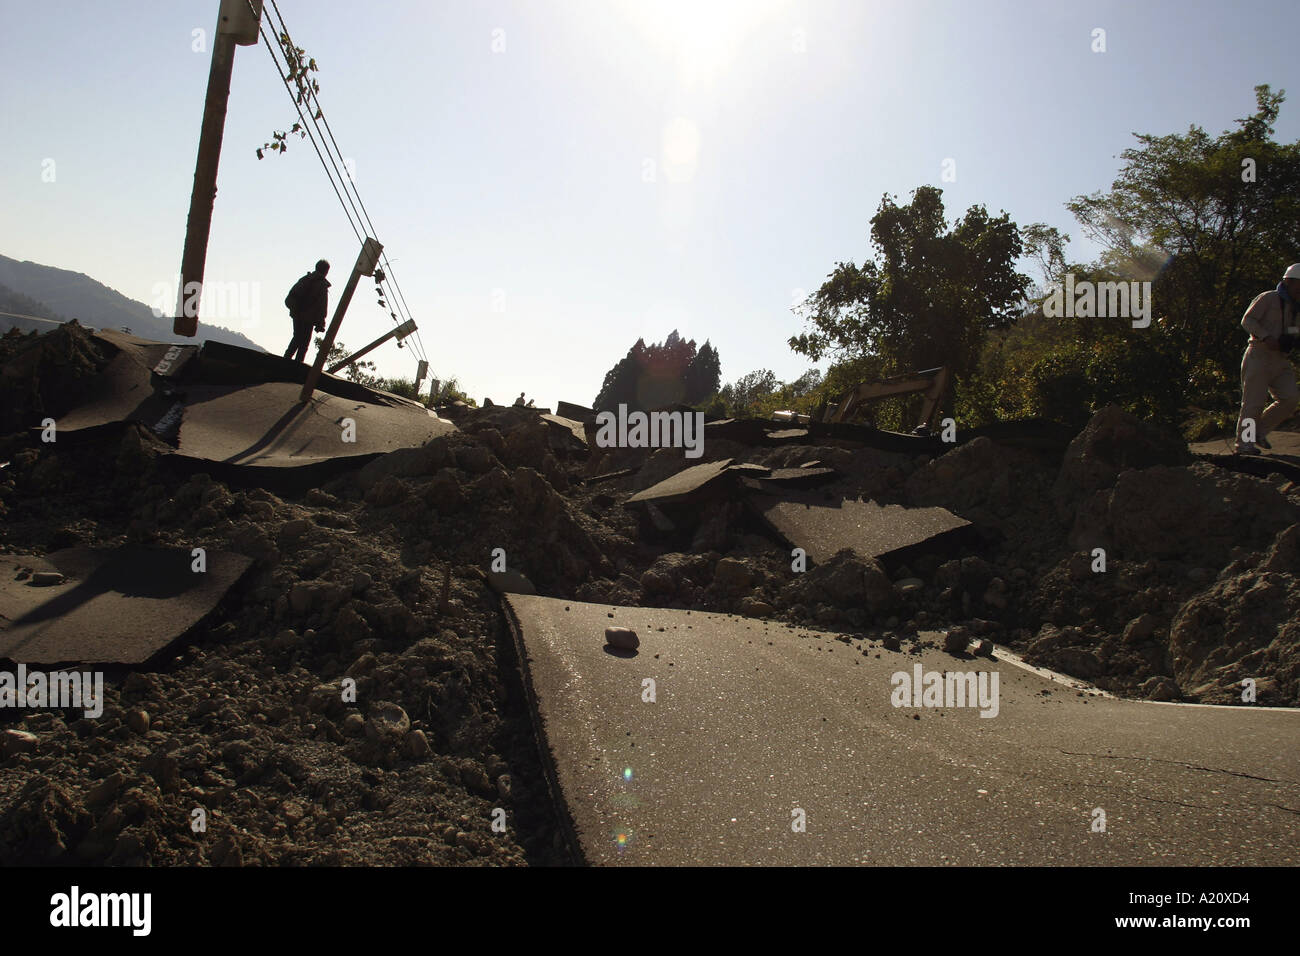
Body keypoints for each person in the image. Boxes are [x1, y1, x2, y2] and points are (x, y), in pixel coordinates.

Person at [1235, 263, 1300, 454]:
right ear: (1289, 282)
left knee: (1290, 398)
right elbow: (1247, 320)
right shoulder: (1269, 298)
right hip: (1259, 354)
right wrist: (1266, 336)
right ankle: (1244, 444)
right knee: (1253, 403)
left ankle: (1258, 432)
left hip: (1280, 358)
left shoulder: (1297, 308)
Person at [283, 260, 331, 363]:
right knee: (303, 345)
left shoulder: (305, 279)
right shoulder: (322, 285)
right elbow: (322, 306)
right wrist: (321, 323)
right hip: (308, 318)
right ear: (326, 271)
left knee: (296, 338)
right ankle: (296, 368)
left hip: (297, 314)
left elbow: (292, 296)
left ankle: (285, 361)